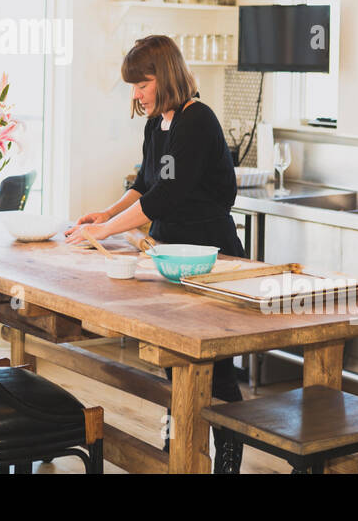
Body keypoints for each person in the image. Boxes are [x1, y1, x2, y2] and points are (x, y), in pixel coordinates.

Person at [66, 34, 245, 473]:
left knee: (215, 367)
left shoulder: (197, 121)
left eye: (140, 84)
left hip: (211, 257)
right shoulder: (158, 123)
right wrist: (103, 214)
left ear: (163, 77)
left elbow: (165, 197)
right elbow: (145, 182)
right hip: (170, 257)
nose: (136, 94)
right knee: (176, 360)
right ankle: (178, 444)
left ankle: (226, 457)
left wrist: (108, 230)